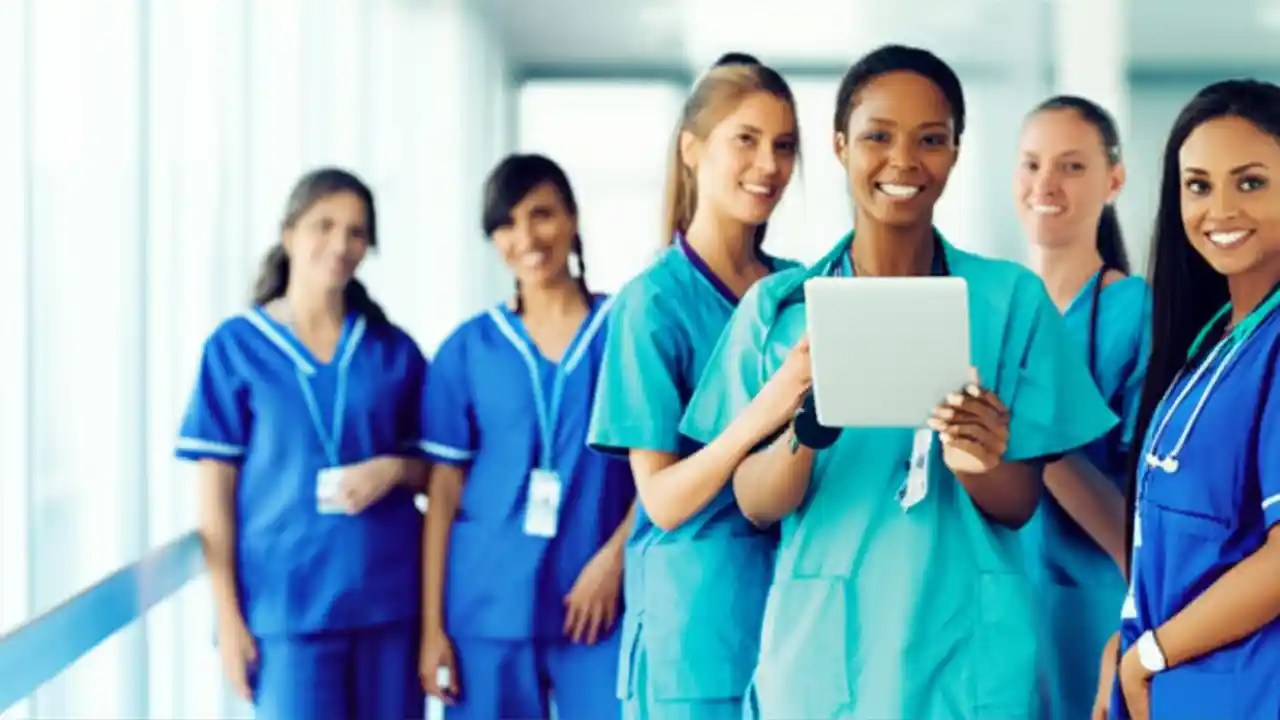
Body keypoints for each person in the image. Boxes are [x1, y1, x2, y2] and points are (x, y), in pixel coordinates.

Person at [678, 44, 1118, 719]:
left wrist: (979, 457)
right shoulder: (778, 311)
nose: (904, 160)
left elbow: (1019, 503)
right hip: (824, 659)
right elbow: (755, 503)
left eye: (931, 139)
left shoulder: (1011, 303)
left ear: (956, 151)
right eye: (877, 137)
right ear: (839, 146)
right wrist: (805, 435)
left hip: (969, 659)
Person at [586, 61, 805, 719]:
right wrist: (762, 412)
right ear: (692, 149)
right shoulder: (651, 303)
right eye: (746, 140)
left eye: (784, 145)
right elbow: (662, 500)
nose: (769, 164)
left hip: (796, 612)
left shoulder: (799, 290)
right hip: (695, 626)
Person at [175, 168, 429, 720]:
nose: (340, 244)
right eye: (324, 226)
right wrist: (227, 617)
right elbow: (215, 499)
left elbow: (439, 471)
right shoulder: (235, 349)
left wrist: (393, 469)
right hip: (286, 612)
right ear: (289, 233)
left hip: (389, 605)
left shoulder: (392, 350)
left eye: (356, 232)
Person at [417, 154, 635, 720]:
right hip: (488, 605)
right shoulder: (468, 348)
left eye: (542, 214)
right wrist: (432, 627)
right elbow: (443, 492)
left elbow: (661, 464)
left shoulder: (626, 330)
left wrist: (615, 561)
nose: (527, 238)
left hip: (600, 599)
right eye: (506, 224)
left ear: (573, 219)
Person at [1098, 79, 1280, 720]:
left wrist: (1149, 655)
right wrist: (1124, 641)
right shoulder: (1209, 342)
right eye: (1198, 186)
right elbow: (1172, 541)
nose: (1220, 210)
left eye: (1251, 182)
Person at [1013, 95, 1151, 720]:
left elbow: (1141, 527)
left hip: (1095, 615)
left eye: (1072, 166)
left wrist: (1024, 429)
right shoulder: (996, 309)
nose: (1046, 184)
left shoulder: (1137, 314)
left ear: (1113, 181)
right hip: (999, 612)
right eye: (1032, 164)